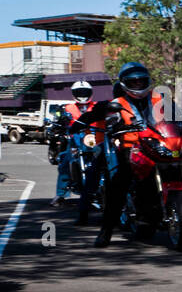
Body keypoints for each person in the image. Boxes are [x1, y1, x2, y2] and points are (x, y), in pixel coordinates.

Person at [78, 63, 165, 247]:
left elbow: (177, 115)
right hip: (131, 148)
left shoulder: (159, 98)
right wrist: (80, 123)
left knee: (180, 161)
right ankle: (106, 232)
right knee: (117, 186)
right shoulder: (117, 103)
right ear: (124, 84)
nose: (138, 85)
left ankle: (171, 205)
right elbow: (102, 116)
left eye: (142, 81)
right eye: (134, 82)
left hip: (158, 145)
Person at [52, 80, 97, 208]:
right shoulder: (67, 108)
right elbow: (59, 119)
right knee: (65, 162)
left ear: (90, 93)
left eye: (85, 92)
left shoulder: (97, 106)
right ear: (74, 93)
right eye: (79, 92)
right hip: (75, 139)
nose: (82, 94)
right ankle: (61, 194)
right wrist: (61, 121)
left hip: (95, 137)